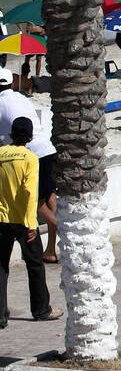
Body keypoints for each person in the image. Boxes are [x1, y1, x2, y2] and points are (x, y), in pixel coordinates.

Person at [0, 116, 62, 325]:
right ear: (29, 135)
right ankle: (41, 309)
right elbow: (30, 192)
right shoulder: (30, 158)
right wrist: (31, 224)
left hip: (1, 219)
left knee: (1, 267)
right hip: (23, 221)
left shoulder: (0, 154)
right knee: (35, 266)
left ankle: (0, 315)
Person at [0, 69, 59, 262]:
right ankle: (51, 250)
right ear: (10, 83)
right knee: (50, 196)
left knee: (37, 202)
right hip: (48, 148)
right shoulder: (21, 98)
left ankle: (57, 224)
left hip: (30, 154)